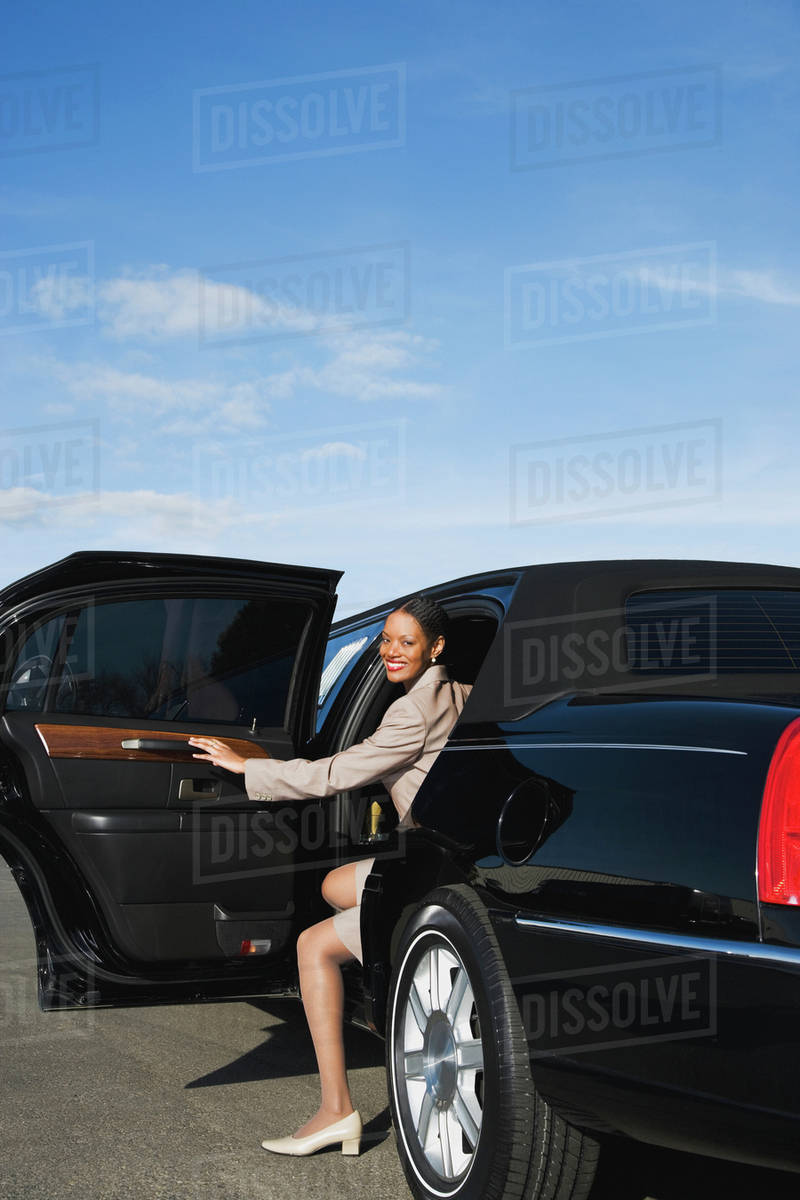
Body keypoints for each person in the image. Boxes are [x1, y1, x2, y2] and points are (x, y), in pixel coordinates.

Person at [187, 595, 472, 1158]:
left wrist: (251, 768)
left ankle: (335, 1110)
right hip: (449, 856)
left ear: (435, 648)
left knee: (314, 946)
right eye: (386, 640)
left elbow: (337, 772)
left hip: (429, 871)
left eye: (405, 642)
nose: (391, 651)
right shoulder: (462, 696)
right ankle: (382, 955)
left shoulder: (410, 711)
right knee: (333, 886)